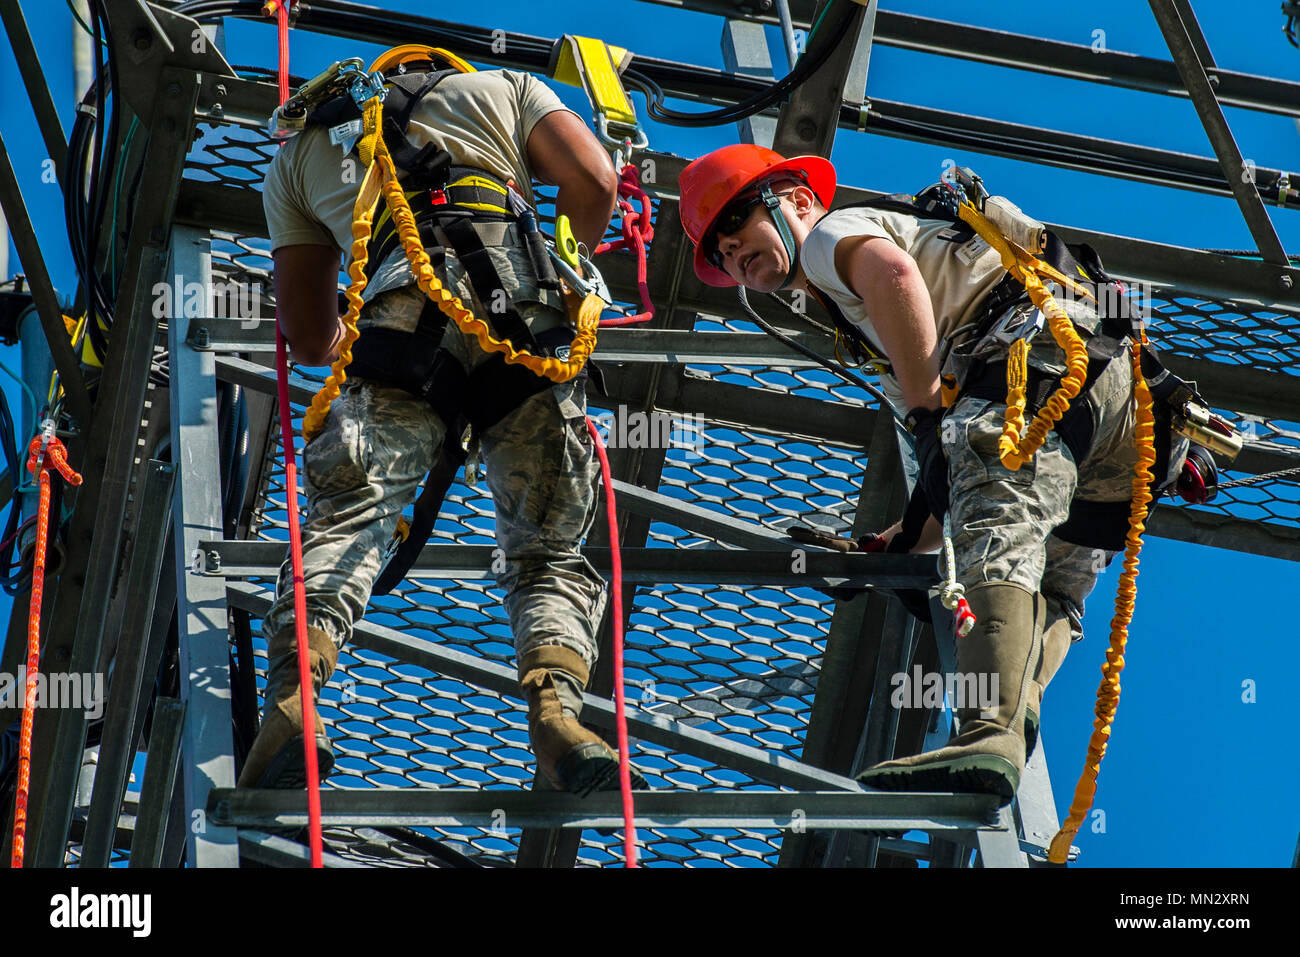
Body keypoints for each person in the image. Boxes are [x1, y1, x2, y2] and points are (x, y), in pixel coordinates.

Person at [678, 144, 1182, 803]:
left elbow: (893, 278)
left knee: (989, 526)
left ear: (797, 200)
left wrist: (925, 419)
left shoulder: (831, 237)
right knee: (1053, 585)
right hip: (1123, 417)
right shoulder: (866, 332)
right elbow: (947, 474)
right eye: (717, 252)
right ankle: (1013, 707)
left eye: (735, 223)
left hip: (1035, 356)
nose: (729, 251)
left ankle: (989, 732)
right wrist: (898, 543)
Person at [244, 45, 639, 797]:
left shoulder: (298, 156)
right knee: (548, 542)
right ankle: (558, 717)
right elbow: (595, 182)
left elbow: (305, 334)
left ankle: (296, 699)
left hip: (401, 318)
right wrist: (567, 264)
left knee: (353, 515)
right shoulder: (502, 86)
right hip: (527, 318)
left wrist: (361, 314)